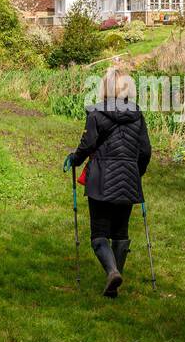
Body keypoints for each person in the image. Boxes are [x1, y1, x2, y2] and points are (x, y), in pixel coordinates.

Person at [64, 66, 152, 297]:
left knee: (99, 233)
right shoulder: (137, 114)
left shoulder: (96, 113)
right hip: (128, 179)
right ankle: (113, 284)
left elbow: (87, 145)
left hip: (101, 180)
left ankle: (112, 272)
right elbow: (145, 150)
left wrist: (75, 159)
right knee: (121, 232)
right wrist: (137, 173)